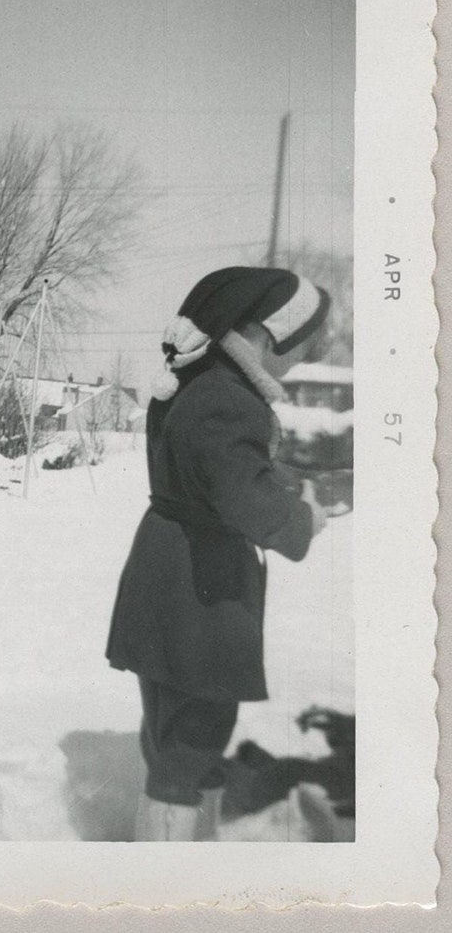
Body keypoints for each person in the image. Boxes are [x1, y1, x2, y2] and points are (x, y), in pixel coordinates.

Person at [105, 266, 331, 842]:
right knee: (196, 733)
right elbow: (239, 497)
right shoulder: (230, 401)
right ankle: (172, 873)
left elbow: (209, 467)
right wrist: (302, 518)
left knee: (171, 727)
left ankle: (174, 841)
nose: (301, 360)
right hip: (200, 586)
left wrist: (274, 476)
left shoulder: (196, 383)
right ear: (266, 336)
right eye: (301, 346)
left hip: (168, 568)